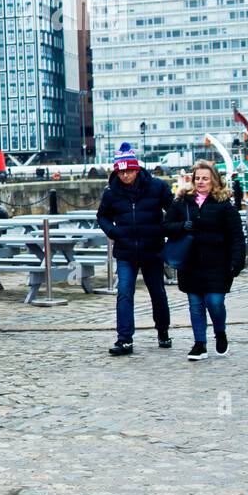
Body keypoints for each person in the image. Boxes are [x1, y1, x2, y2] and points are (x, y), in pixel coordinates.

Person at [97, 141, 174, 356]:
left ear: (136, 169)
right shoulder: (111, 192)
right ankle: (124, 339)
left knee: (157, 293)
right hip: (126, 251)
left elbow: (173, 209)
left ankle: (163, 331)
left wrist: (167, 229)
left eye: (129, 171)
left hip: (152, 249)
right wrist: (112, 232)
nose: (125, 176)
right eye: (121, 173)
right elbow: (101, 215)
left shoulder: (157, 187)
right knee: (124, 293)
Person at [163, 160, 245, 360]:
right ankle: (200, 344)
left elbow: (236, 236)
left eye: (205, 178)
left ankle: (220, 331)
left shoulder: (224, 205)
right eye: (197, 178)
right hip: (190, 263)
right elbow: (165, 226)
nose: (200, 182)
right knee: (195, 304)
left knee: (214, 302)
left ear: (214, 181)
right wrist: (182, 226)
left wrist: (237, 261)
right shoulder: (182, 202)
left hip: (218, 263)